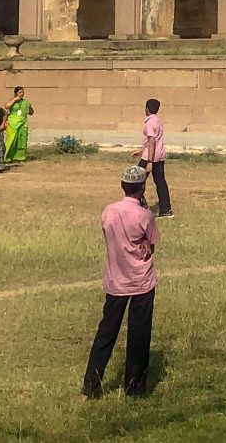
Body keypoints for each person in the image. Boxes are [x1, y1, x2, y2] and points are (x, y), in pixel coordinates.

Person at [81, 165, 159, 399]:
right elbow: (151, 245)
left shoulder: (109, 211)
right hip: (141, 282)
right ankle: (134, 388)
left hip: (116, 281)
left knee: (106, 333)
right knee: (139, 335)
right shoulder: (145, 216)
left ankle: (90, 387)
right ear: (142, 187)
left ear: (122, 186)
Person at [139, 98, 171, 216]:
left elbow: (152, 140)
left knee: (136, 181)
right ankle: (166, 210)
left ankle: (140, 206)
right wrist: (141, 150)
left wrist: (149, 161)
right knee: (160, 182)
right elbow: (154, 140)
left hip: (150, 157)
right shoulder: (157, 121)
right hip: (159, 155)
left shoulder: (149, 123)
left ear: (146, 109)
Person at [4, 86, 34, 164]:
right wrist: (14, 100)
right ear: (16, 93)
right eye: (20, 92)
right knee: (12, 140)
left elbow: (31, 113)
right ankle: (8, 157)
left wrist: (30, 107)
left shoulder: (25, 102)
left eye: (22, 92)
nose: (21, 94)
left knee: (21, 140)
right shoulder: (12, 100)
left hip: (23, 123)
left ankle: (20, 157)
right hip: (12, 123)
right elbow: (6, 106)